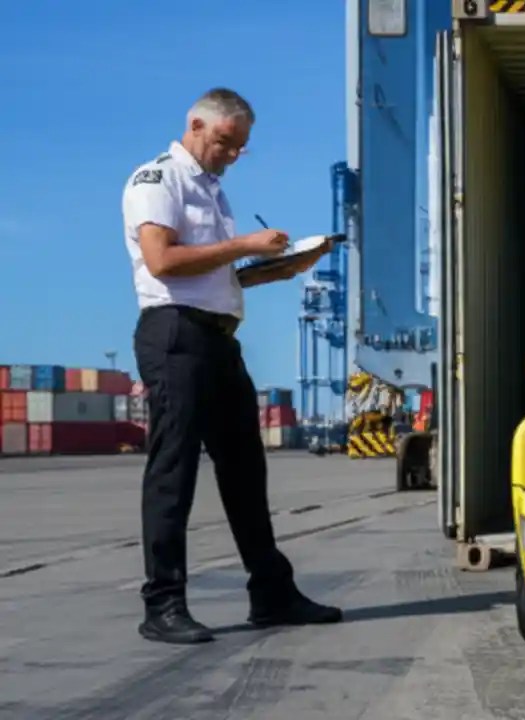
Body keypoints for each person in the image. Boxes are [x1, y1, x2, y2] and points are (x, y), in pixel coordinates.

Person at [122, 87, 342, 644]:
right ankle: (163, 604)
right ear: (196, 124)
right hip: (175, 335)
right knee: (174, 473)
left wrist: (279, 268)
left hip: (218, 339)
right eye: (225, 143)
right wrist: (246, 242)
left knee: (246, 469)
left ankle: (271, 591)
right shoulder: (158, 179)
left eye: (241, 148)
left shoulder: (211, 191)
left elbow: (218, 280)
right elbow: (163, 261)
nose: (231, 154)